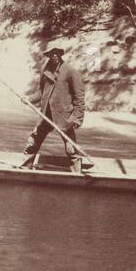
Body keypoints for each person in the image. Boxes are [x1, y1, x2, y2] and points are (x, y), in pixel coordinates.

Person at [19, 42, 88, 174]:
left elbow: (79, 96)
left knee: (71, 148)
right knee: (33, 142)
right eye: (52, 53)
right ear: (49, 55)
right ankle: (24, 170)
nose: (54, 55)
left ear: (61, 54)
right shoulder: (45, 69)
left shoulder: (70, 71)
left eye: (57, 52)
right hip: (46, 114)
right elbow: (41, 92)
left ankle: (77, 175)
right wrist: (29, 99)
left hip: (64, 116)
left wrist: (77, 118)